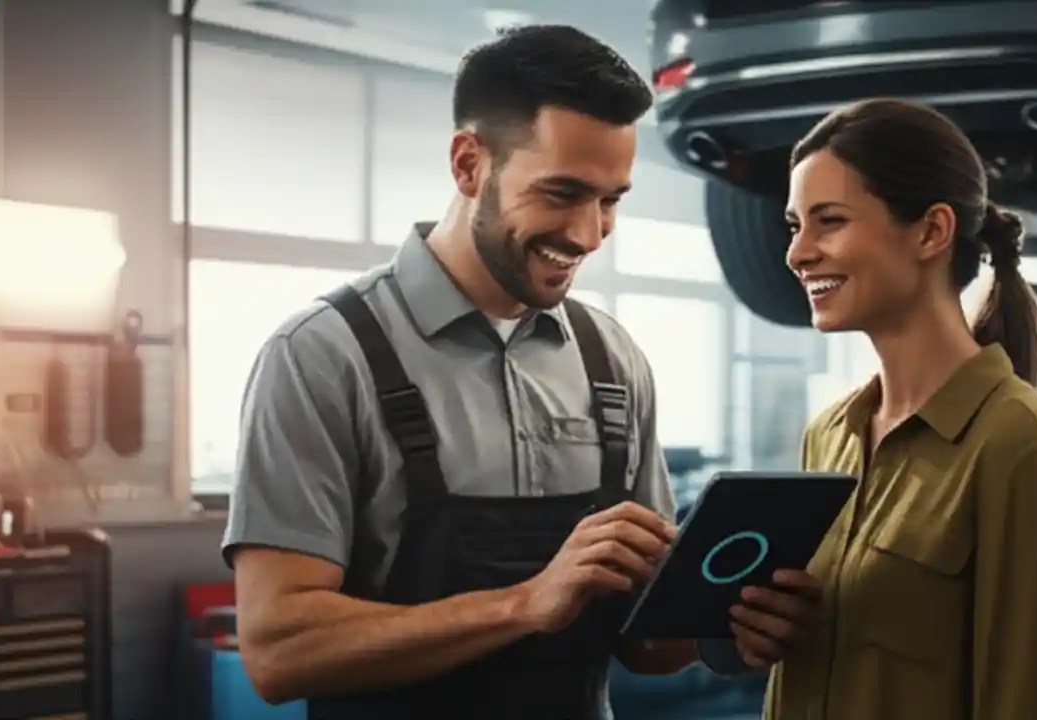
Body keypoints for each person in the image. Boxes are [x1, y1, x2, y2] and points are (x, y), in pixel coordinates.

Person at [221, 24, 817, 720]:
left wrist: (732, 627)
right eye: (563, 193)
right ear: (469, 165)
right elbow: (277, 652)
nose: (590, 234)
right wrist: (523, 604)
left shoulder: (614, 362)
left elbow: (643, 641)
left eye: (611, 199)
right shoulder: (321, 357)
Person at [758, 98, 1037, 719]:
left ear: (931, 232)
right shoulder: (829, 435)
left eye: (828, 221)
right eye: (794, 225)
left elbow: (1027, 705)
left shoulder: (1022, 447)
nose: (797, 253)